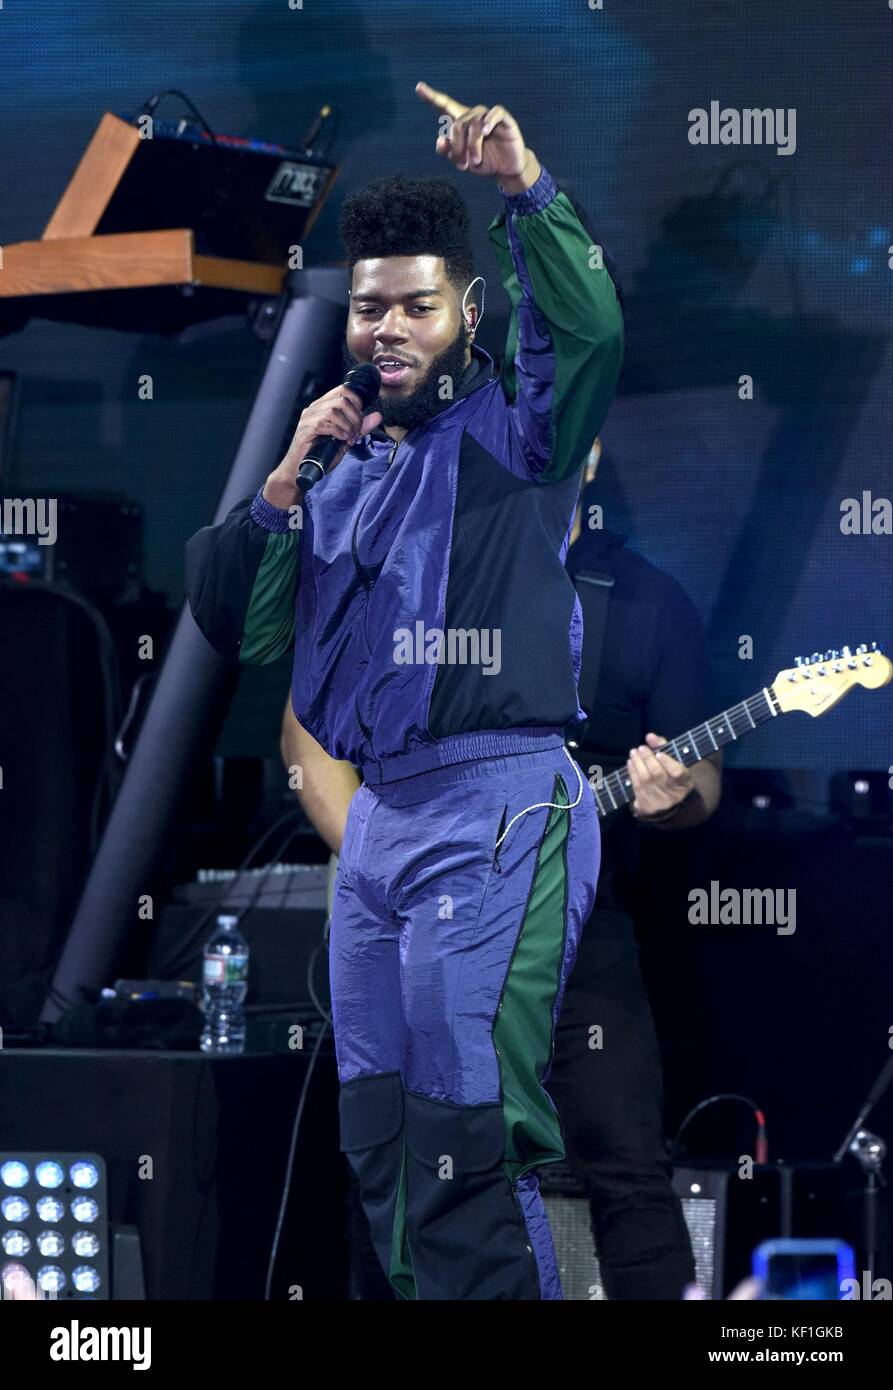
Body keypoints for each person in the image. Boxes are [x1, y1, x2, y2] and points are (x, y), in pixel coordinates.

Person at [185, 82, 624, 1300]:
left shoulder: (518, 428)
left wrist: (522, 187)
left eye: (415, 307)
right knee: (378, 1135)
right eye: (368, 306)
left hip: (493, 807)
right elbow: (232, 617)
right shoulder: (332, 467)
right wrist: (282, 478)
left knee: (464, 1135)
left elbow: (586, 335)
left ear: (465, 310)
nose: (386, 327)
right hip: (378, 823)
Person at [280, 437, 722, 1300]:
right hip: (423, 927)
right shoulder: (414, 566)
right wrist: (403, 864)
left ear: (590, 459)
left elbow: (701, 777)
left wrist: (675, 793)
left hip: (579, 931)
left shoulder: (641, 599)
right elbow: (308, 734)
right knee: (392, 1153)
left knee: (625, 1165)